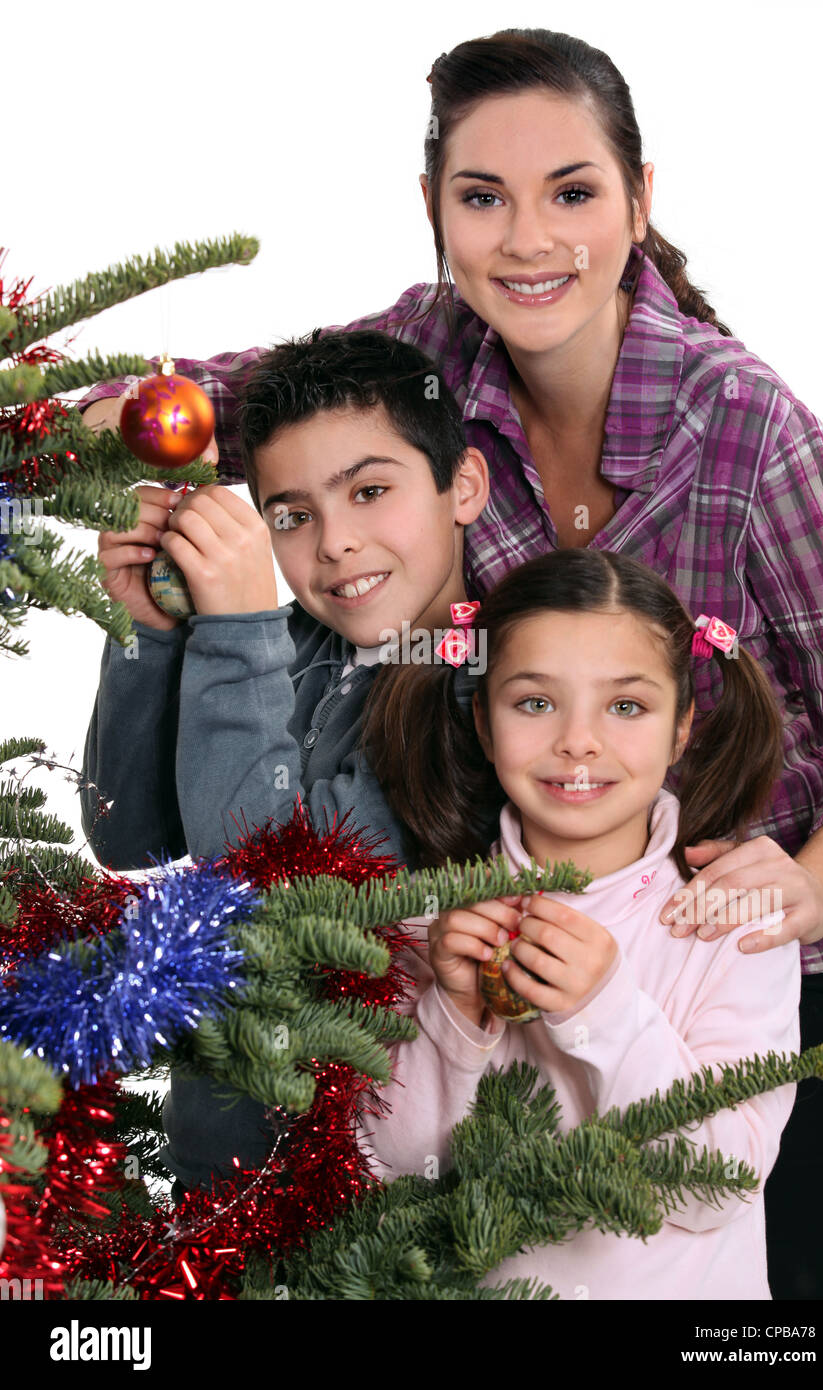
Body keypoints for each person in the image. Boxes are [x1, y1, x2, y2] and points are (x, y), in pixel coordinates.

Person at [79, 28, 823, 1296]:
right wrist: (50, 412)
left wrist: (822, 879)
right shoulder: (435, 352)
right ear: (434, 215)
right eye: (479, 198)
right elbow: (262, 402)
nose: (525, 239)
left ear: (639, 199)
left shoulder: (748, 430)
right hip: (506, 954)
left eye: (572, 191)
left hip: (739, 946)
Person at [80, 329, 491, 1195]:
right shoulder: (290, 645)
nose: (335, 542)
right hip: (220, 1175)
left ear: (464, 485)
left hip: (370, 1204)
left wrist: (233, 632)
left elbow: (272, 890)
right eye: (293, 514)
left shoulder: (487, 692)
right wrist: (151, 641)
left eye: (371, 491)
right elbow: (128, 838)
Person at [359, 546, 801, 1300]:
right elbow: (394, 1171)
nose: (578, 741)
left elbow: (718, 1186)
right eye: (535, 703)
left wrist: (610, 1015)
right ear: (484, 719)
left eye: (626, 706)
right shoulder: (432, 923)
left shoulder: (729, 925)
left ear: (682, 727)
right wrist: (454, 1017)